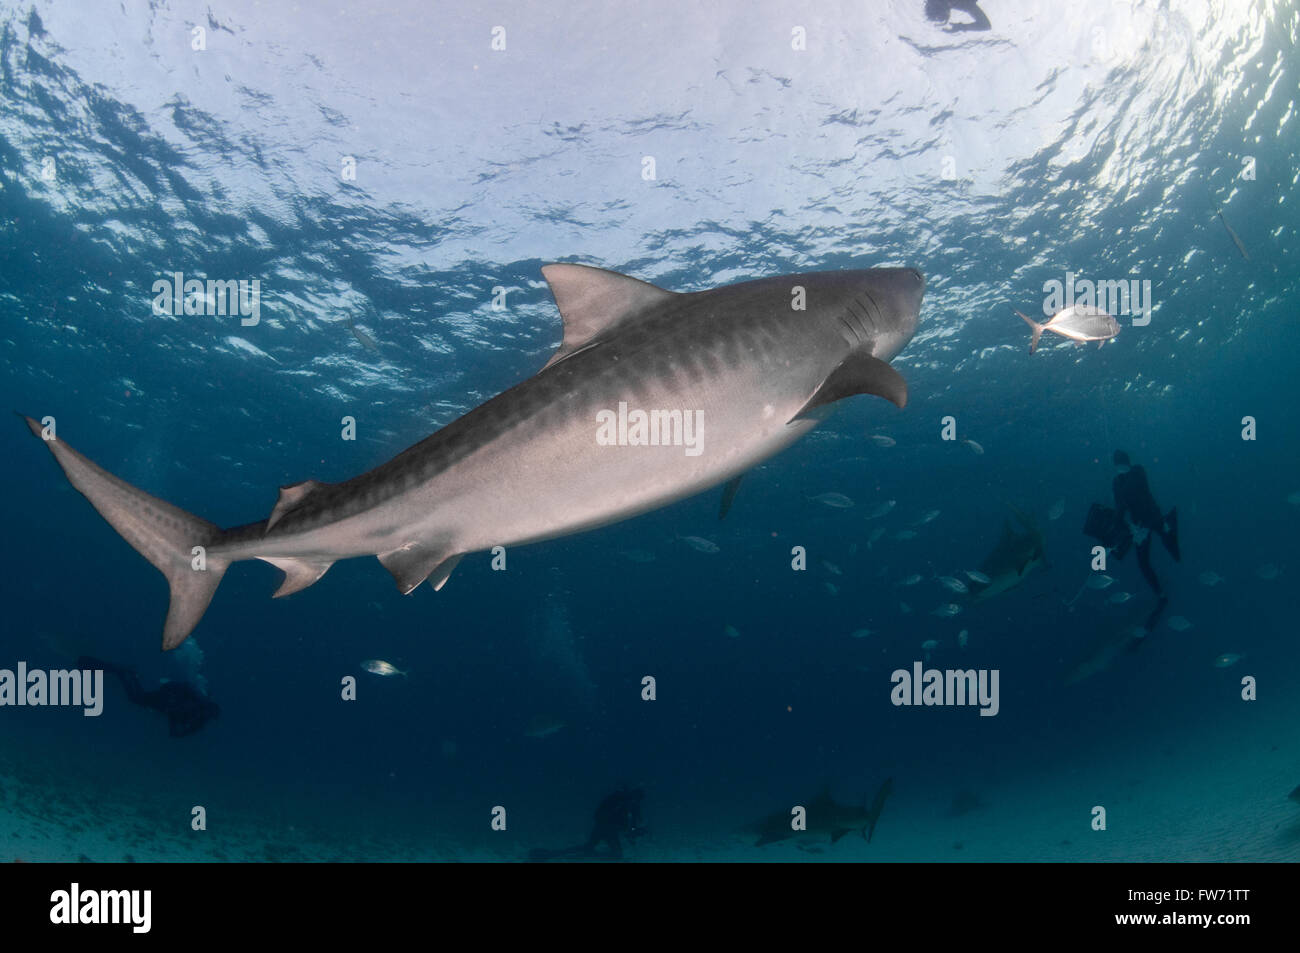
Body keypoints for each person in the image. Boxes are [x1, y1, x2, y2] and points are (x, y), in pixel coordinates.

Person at [77, 656, 220, 738]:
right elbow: (176, 718)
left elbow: (177, 729)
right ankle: (124, 673)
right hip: (163, 700)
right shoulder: (197, 706)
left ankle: (125, 673)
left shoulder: (199, 717)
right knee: (136, 698)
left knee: (137, 697)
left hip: (164, 702)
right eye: (210, 713)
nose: (208, 716)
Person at [1110, 450, 1180, 601]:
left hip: (1152, 516)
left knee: (1168, 537)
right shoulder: (1117, 482)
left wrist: (1143, 528)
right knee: (1142, 563)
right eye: (1118, 466)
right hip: (1138, 525)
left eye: (1123, 465)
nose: (1121, 469)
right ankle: (1160, 594)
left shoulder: (1137, 471)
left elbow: (1140, 495)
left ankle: (1169, 528)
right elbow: (1119, 509)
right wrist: (1128, 528)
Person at [528, 785, 646, 861]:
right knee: (616, 855)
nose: (635, 802)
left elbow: (628, 829)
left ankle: (551, 854)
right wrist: (632, 832)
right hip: (607, 828)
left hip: (601, 827)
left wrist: (635, 832)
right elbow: (627, 827)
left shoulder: (629, 806)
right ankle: (585, 857)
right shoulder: (625, 805)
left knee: (588, 847)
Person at [924, 0, 992, 32]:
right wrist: (962, 27)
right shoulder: (963, 4)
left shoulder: (963, 4)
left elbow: (985, 25)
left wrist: (962, 27)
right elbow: (985, 25)